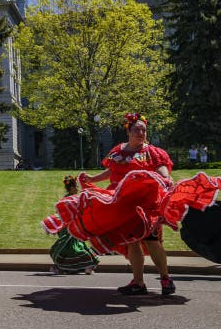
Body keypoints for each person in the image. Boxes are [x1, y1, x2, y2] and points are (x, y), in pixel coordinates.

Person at [44, 113, 221, 296]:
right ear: (128, 131)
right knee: (132, 242)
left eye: (143, 129)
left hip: (146, 206)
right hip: (123, 205)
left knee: (152, 242)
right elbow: (112, 170)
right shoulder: (119, 151)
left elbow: (162, 168)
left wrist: (166, 178)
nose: (141, 132)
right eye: (137, 129)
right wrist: (92, 178)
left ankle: (166, 279)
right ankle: (138, 282)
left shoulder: (152, 152)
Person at [47, 175, 99, 274]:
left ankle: (84, 266)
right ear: (72, 188)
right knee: (70, 248)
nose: (78, 189)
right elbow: (61, 215)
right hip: (69, 228)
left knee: (74, 247)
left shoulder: (69, 199)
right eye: (77, 187)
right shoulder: (70, 199)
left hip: (74, 227)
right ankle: (84, 266)